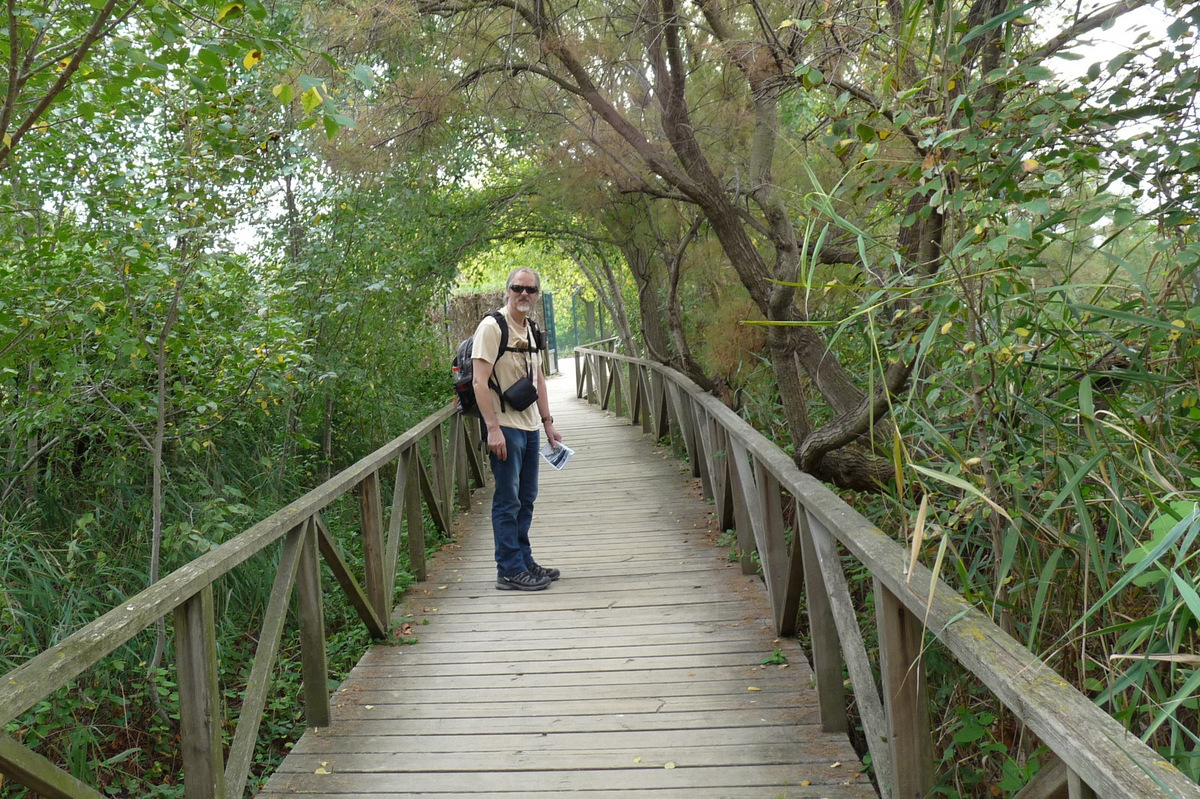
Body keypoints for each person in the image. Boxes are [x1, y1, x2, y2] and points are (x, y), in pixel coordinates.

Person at [471, 268, 564, 591]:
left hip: (529, 426)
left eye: (530, 289)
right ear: (507, 291)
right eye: (518, 288)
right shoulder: (491, 327)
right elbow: (478, 382)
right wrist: (492, 429)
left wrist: (548, 423)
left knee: (526, 498)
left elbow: (538, 379)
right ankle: (509, 569)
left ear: (537, 295)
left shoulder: (532, 328)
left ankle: (523, 560)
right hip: (505, 427)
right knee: (507, 500)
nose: (524, 293)